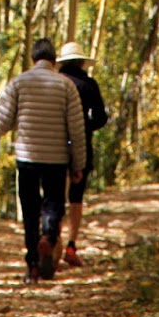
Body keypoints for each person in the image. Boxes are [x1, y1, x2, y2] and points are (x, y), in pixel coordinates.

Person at [0, 37, 87, 283]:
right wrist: (79, 164)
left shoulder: (18, 83)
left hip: (27, 157)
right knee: (53, 204)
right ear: (55, 60)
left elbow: (0, 125)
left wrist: (6, 124)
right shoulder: (66, 86)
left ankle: (32, 264)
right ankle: (48, 236)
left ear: (33, 59)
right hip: (56, 158)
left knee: (30, 208)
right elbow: (76, 129)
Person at [56, 39, 109, 267]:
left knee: (55, 197)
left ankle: (52, 243)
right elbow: (100, 118)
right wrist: (85, 127)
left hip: (54, 147)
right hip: (82, 146)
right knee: (76, 198)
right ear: (81, 62)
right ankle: (71, 245)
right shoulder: (89, 85)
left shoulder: (56, 82)